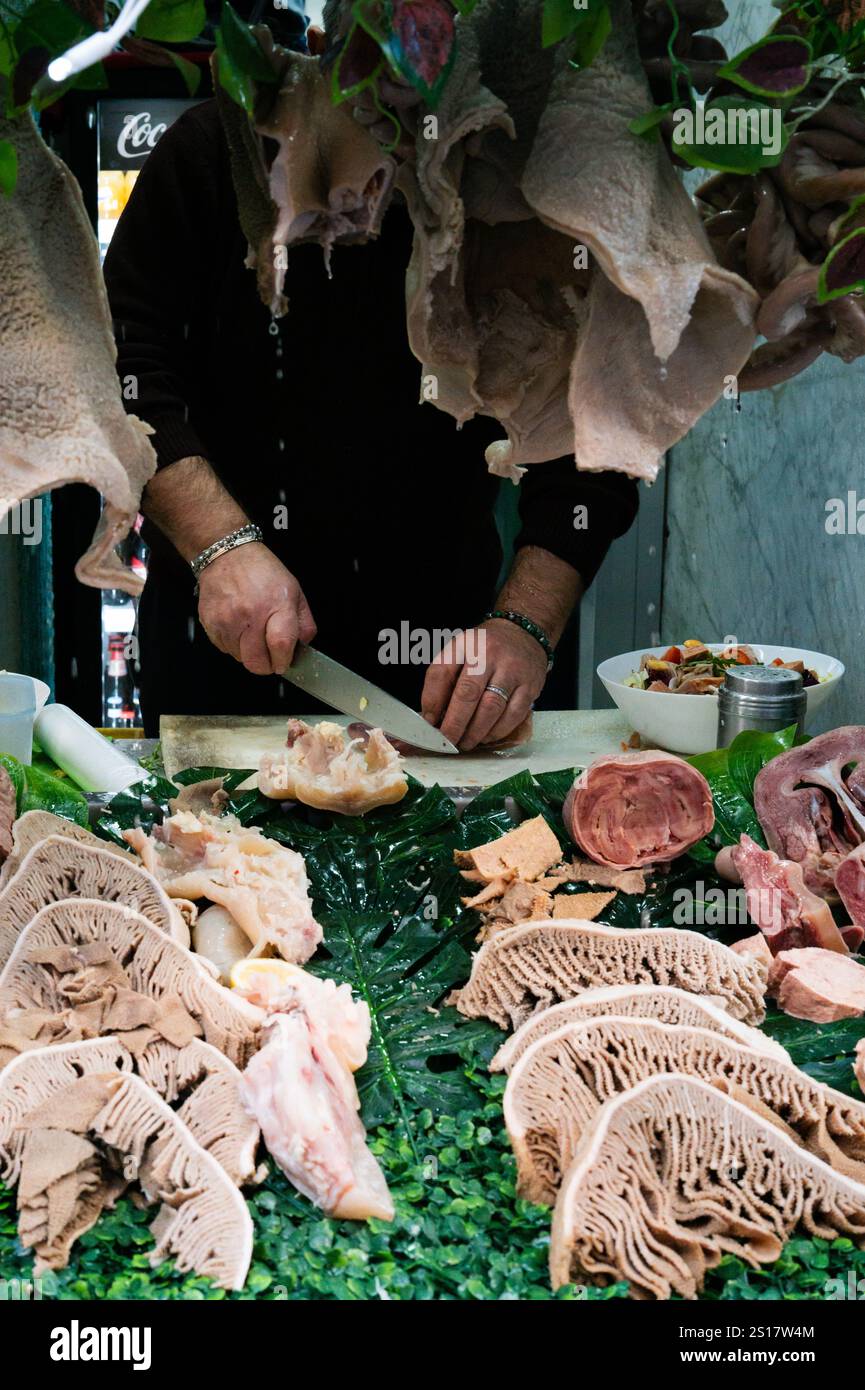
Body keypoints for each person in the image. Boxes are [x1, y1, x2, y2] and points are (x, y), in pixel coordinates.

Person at [103, 5, 638, 749]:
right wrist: (219, 544)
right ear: (334, 39)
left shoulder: (519, 180)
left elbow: (600, 428)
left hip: (442, 673)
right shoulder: (217, 149)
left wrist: (524, 624)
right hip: (220, 648)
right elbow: (126, 363)